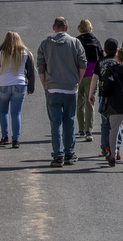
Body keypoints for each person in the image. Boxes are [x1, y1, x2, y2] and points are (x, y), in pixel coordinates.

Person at [36, 17, 87, 167]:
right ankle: (69, 153)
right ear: (66, 27)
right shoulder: (75, 43)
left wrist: (45, 85)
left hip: (52, 87)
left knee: (55, 123)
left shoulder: (45, 44)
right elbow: (82, 63)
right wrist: (77, 81)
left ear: (54, 27)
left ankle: (57, 155)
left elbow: (40, 67)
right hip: (70, 88)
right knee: (69, 121)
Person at [0, 31, 35, 148]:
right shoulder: (24, 53)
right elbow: (31, 72)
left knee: (3, 111)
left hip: (3, 84)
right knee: (16, 113)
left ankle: (4, 137)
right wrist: (31, 87)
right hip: (19, 84)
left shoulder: (1, 53)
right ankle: (16, 139)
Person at [89, 38, 121, 160]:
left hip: (104, 95)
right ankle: (116, 147)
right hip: (118, 96)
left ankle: (105, 147)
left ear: (104, 50)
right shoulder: (119, 61)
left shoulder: (100, 62)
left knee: (105, 123)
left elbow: (94, 78)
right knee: (118, 124)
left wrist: (90, 94)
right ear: (117, 50)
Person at [76, 20, 102, 143]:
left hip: (78, 75)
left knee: (79, 103)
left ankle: (81, 128)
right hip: (92, 76)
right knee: (90, 102)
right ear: (90, 28)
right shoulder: (96, 41)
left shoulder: (76, 41)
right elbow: (101, 59)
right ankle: (89, 130)